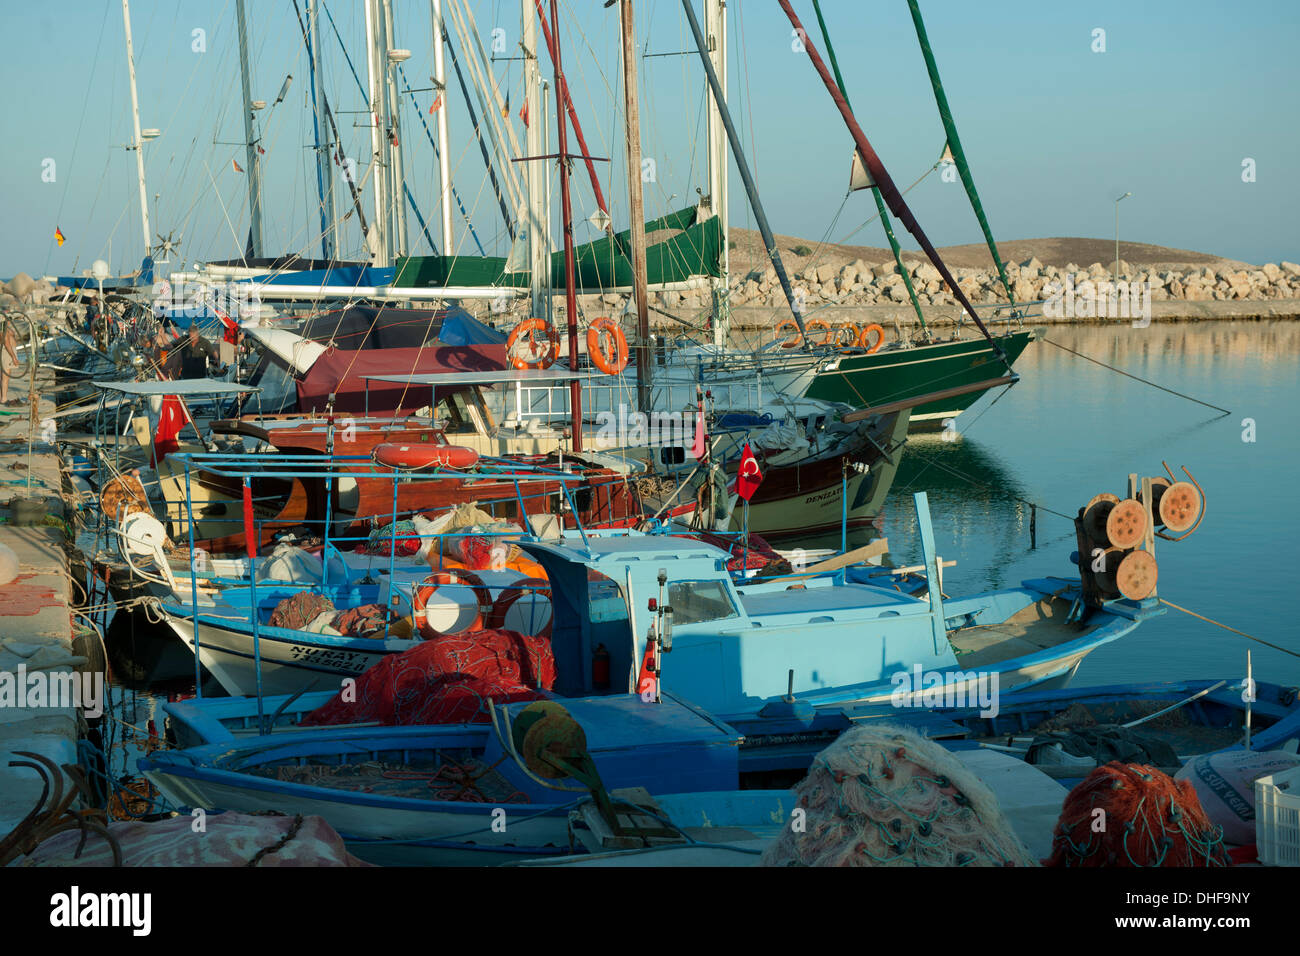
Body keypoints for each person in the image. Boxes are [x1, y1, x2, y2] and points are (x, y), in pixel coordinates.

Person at [1, 316, 20, 406]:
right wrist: (13, 357)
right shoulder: (2, 330)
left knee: (5, 376)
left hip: (8, 352)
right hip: (7, 353)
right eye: (8, 320)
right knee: (5, 377)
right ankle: (3, 398)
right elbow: (7, 343)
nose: (10, 321)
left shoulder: (5, 328)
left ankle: (2, 397)